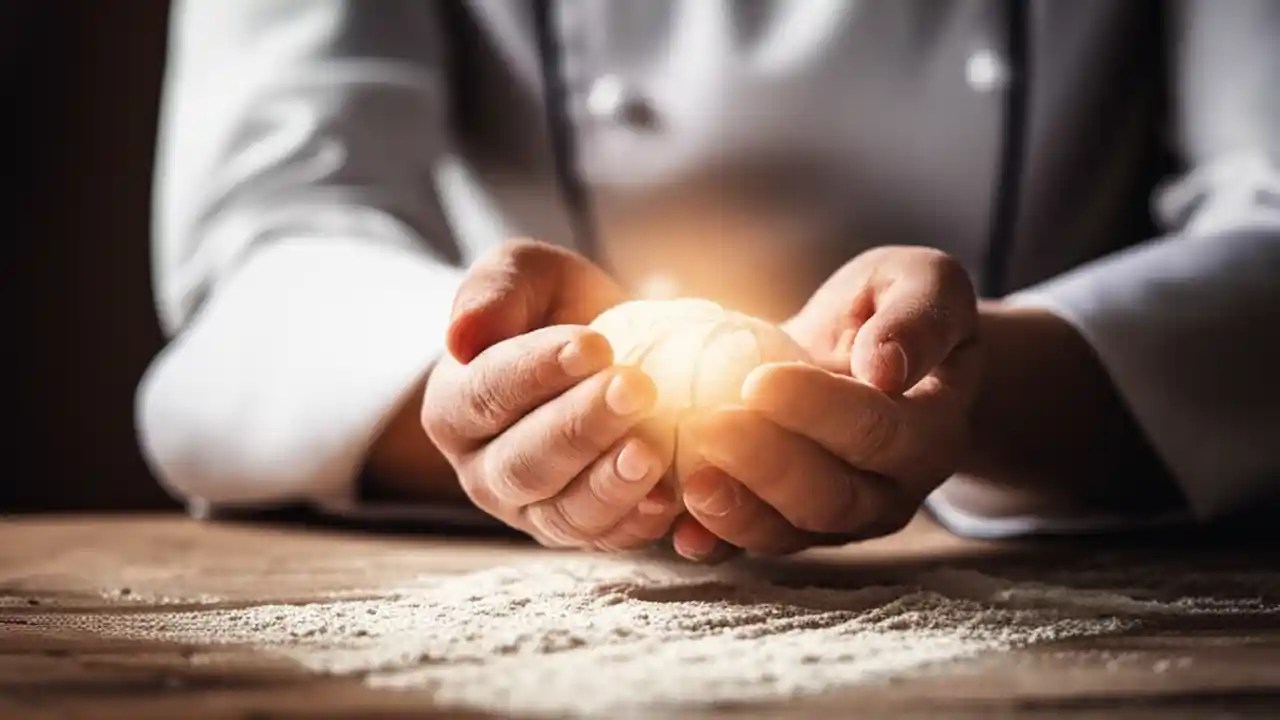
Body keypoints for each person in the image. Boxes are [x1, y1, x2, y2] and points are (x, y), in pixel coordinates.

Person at [138, 0, 1280, 561]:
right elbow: (264, 254)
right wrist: (506, 397)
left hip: (1063, 495)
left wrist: (984, 384)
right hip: (563, 497)